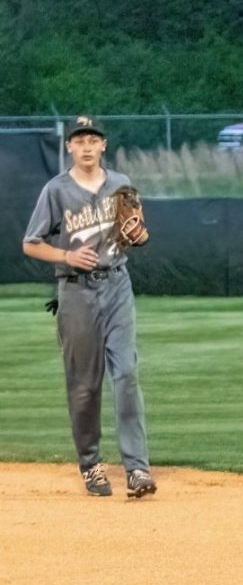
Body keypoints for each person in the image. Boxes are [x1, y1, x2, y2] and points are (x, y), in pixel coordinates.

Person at [22, 116, 157, 500]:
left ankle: (137, 468)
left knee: (127, 373)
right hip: (76, 292)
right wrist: (65, 254)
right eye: (79, 139)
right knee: (84, 387)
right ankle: (92, 465)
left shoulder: (121, 184)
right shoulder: (56, 190)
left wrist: (141, 235)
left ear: (103, 146)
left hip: (117, 285)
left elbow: (137, 230)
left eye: (92, 139)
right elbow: (30, 243)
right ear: (69, 148)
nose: (86, 146)